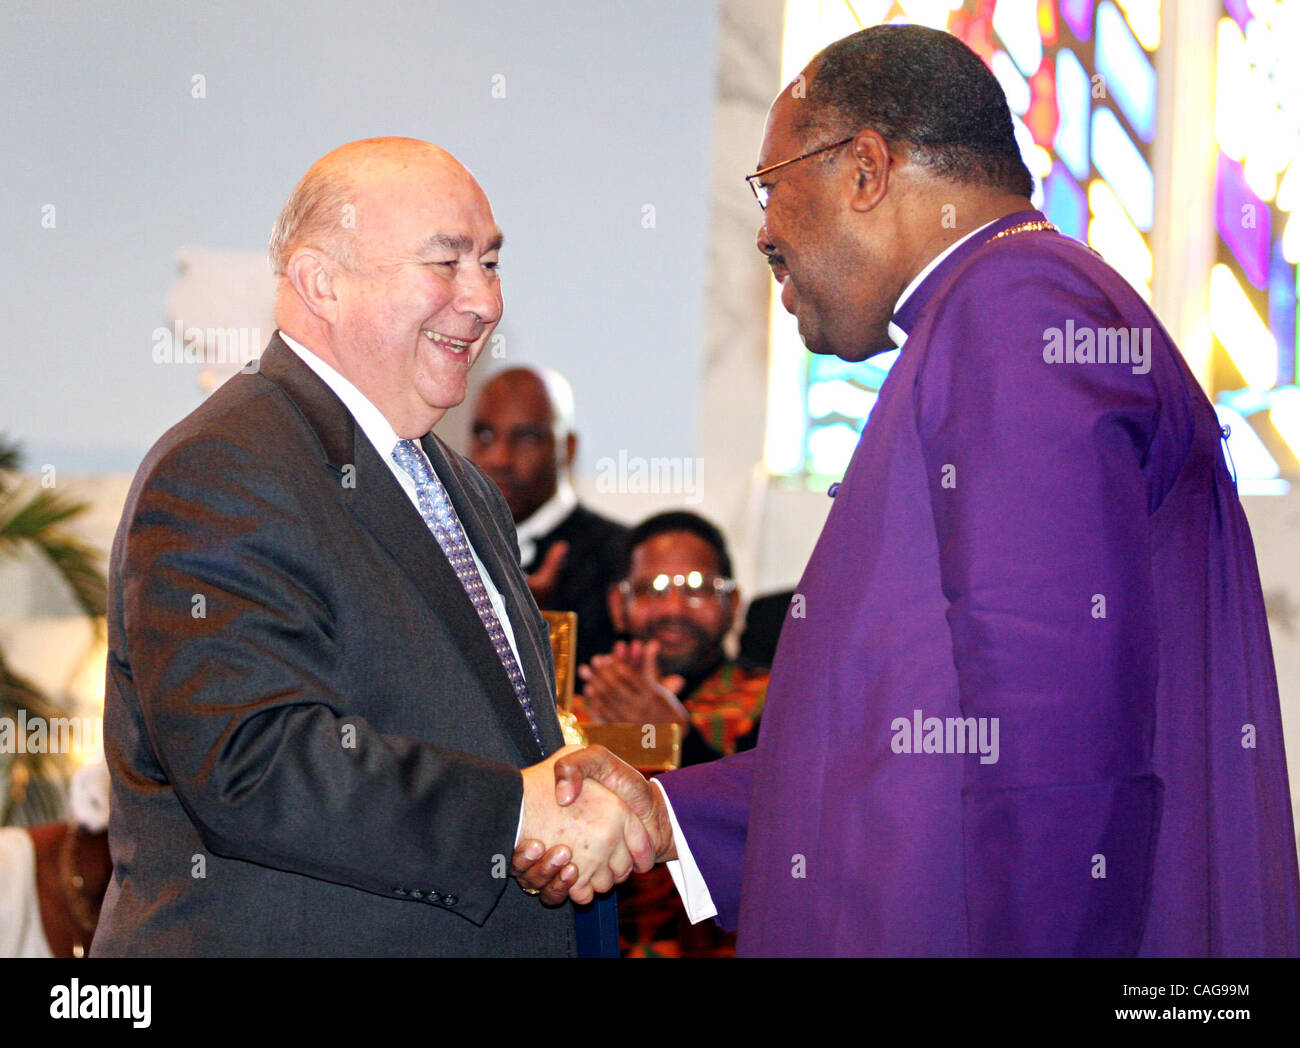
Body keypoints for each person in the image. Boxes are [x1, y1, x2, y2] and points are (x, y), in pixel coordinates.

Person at [521, 25, 1300, 956]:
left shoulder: (1018, 312)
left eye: (770, 186)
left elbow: (1058, 748)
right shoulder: (999, 308)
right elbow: (906, 745)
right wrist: (659, 808)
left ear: (864, 168)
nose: (764, 230)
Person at [92, 137, 652, 957]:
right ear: (323, 282)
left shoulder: (453, 479)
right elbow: (253, 762)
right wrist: (516, 811)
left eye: (491, 263)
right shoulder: (223, 463)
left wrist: (569, 777)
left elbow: (474, 728)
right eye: (447, 262)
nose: (485, 300)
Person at [579, 511, 766, 767]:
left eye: (698, 588)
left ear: (732, 604)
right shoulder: (570, 707)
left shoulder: (775, 700)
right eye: (652, 589)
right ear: (617, 605)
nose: (673, 609)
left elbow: (767, 803)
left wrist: (673, 739)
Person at [469, 367, 626, 667]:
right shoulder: (450, 546)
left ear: (567, 447)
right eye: (485, 435)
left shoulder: (619, 554)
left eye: (526, 437)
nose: (499, 458)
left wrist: (536, 619)